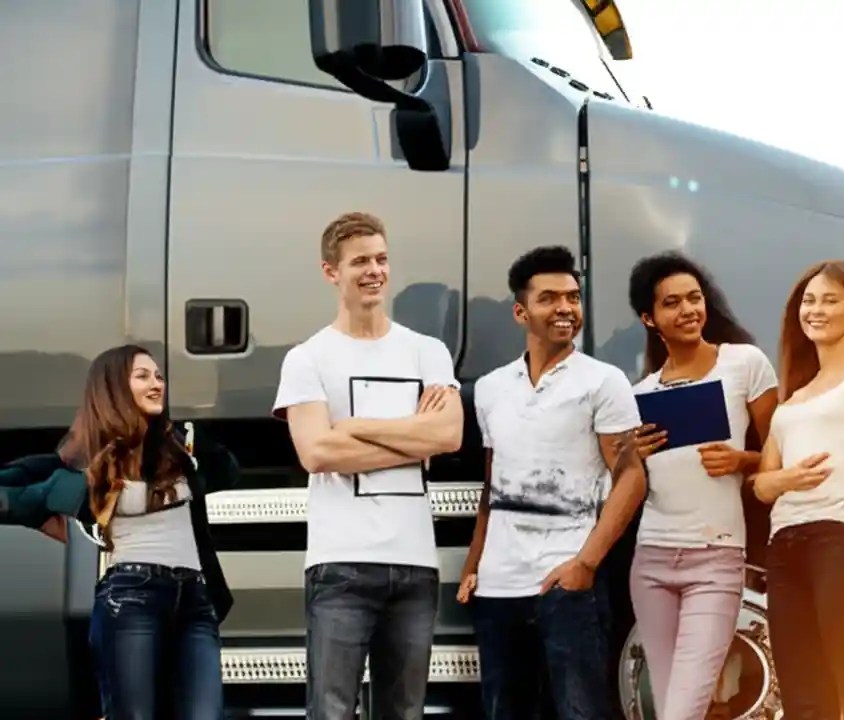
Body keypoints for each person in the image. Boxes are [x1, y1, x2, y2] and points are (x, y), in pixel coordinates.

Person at [272, 212, 463, 720]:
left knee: (405, 712)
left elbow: (449, 434)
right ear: (331, 271)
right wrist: (412, 440)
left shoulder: (427, 351)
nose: (374, 270)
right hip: (341, 565)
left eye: (381, 259)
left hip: (415, 562)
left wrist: (354, 424)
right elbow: (316, 453)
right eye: (360, 261)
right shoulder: (308, 358)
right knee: (331, 711)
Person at [456, 245, 646, 720]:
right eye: (549, 298)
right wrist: (473, 565)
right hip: (498, 589)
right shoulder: (491, 388)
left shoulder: (604, 382)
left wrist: (585, 564)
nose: (565, 308)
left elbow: (631, 478)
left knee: (581, 711)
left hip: (567, 584)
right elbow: (493, 485)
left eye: (573, 297)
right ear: (521, 311)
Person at [1, 344, 240, 719]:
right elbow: (18, 496)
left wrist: (189, 443)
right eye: (142, 376)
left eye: (159, 376)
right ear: (113, 388)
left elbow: (228, 470)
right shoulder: (83, 463)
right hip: (131, 596)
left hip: (194, 598)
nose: (157, 383)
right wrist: (51, 517)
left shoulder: (182, 444)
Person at [626, 252, 780, 719]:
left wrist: (741, 460)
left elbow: (783, 452)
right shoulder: (641, 394)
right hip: (651, 558)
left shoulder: (744, 364)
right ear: (650, 319)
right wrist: (630, 456)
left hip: (716, 558)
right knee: (669, 704)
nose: (689, 309)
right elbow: (628, 484)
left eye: (695, 298)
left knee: (683, 709)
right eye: (672, 303)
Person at [749, 260, 844, 720]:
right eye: (809, 301)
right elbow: (762, 484)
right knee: (801, 696)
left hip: (840, 539)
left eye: (830, 299)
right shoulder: (792, 397)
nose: (816, 309)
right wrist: (784, 480)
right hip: (784, 548)